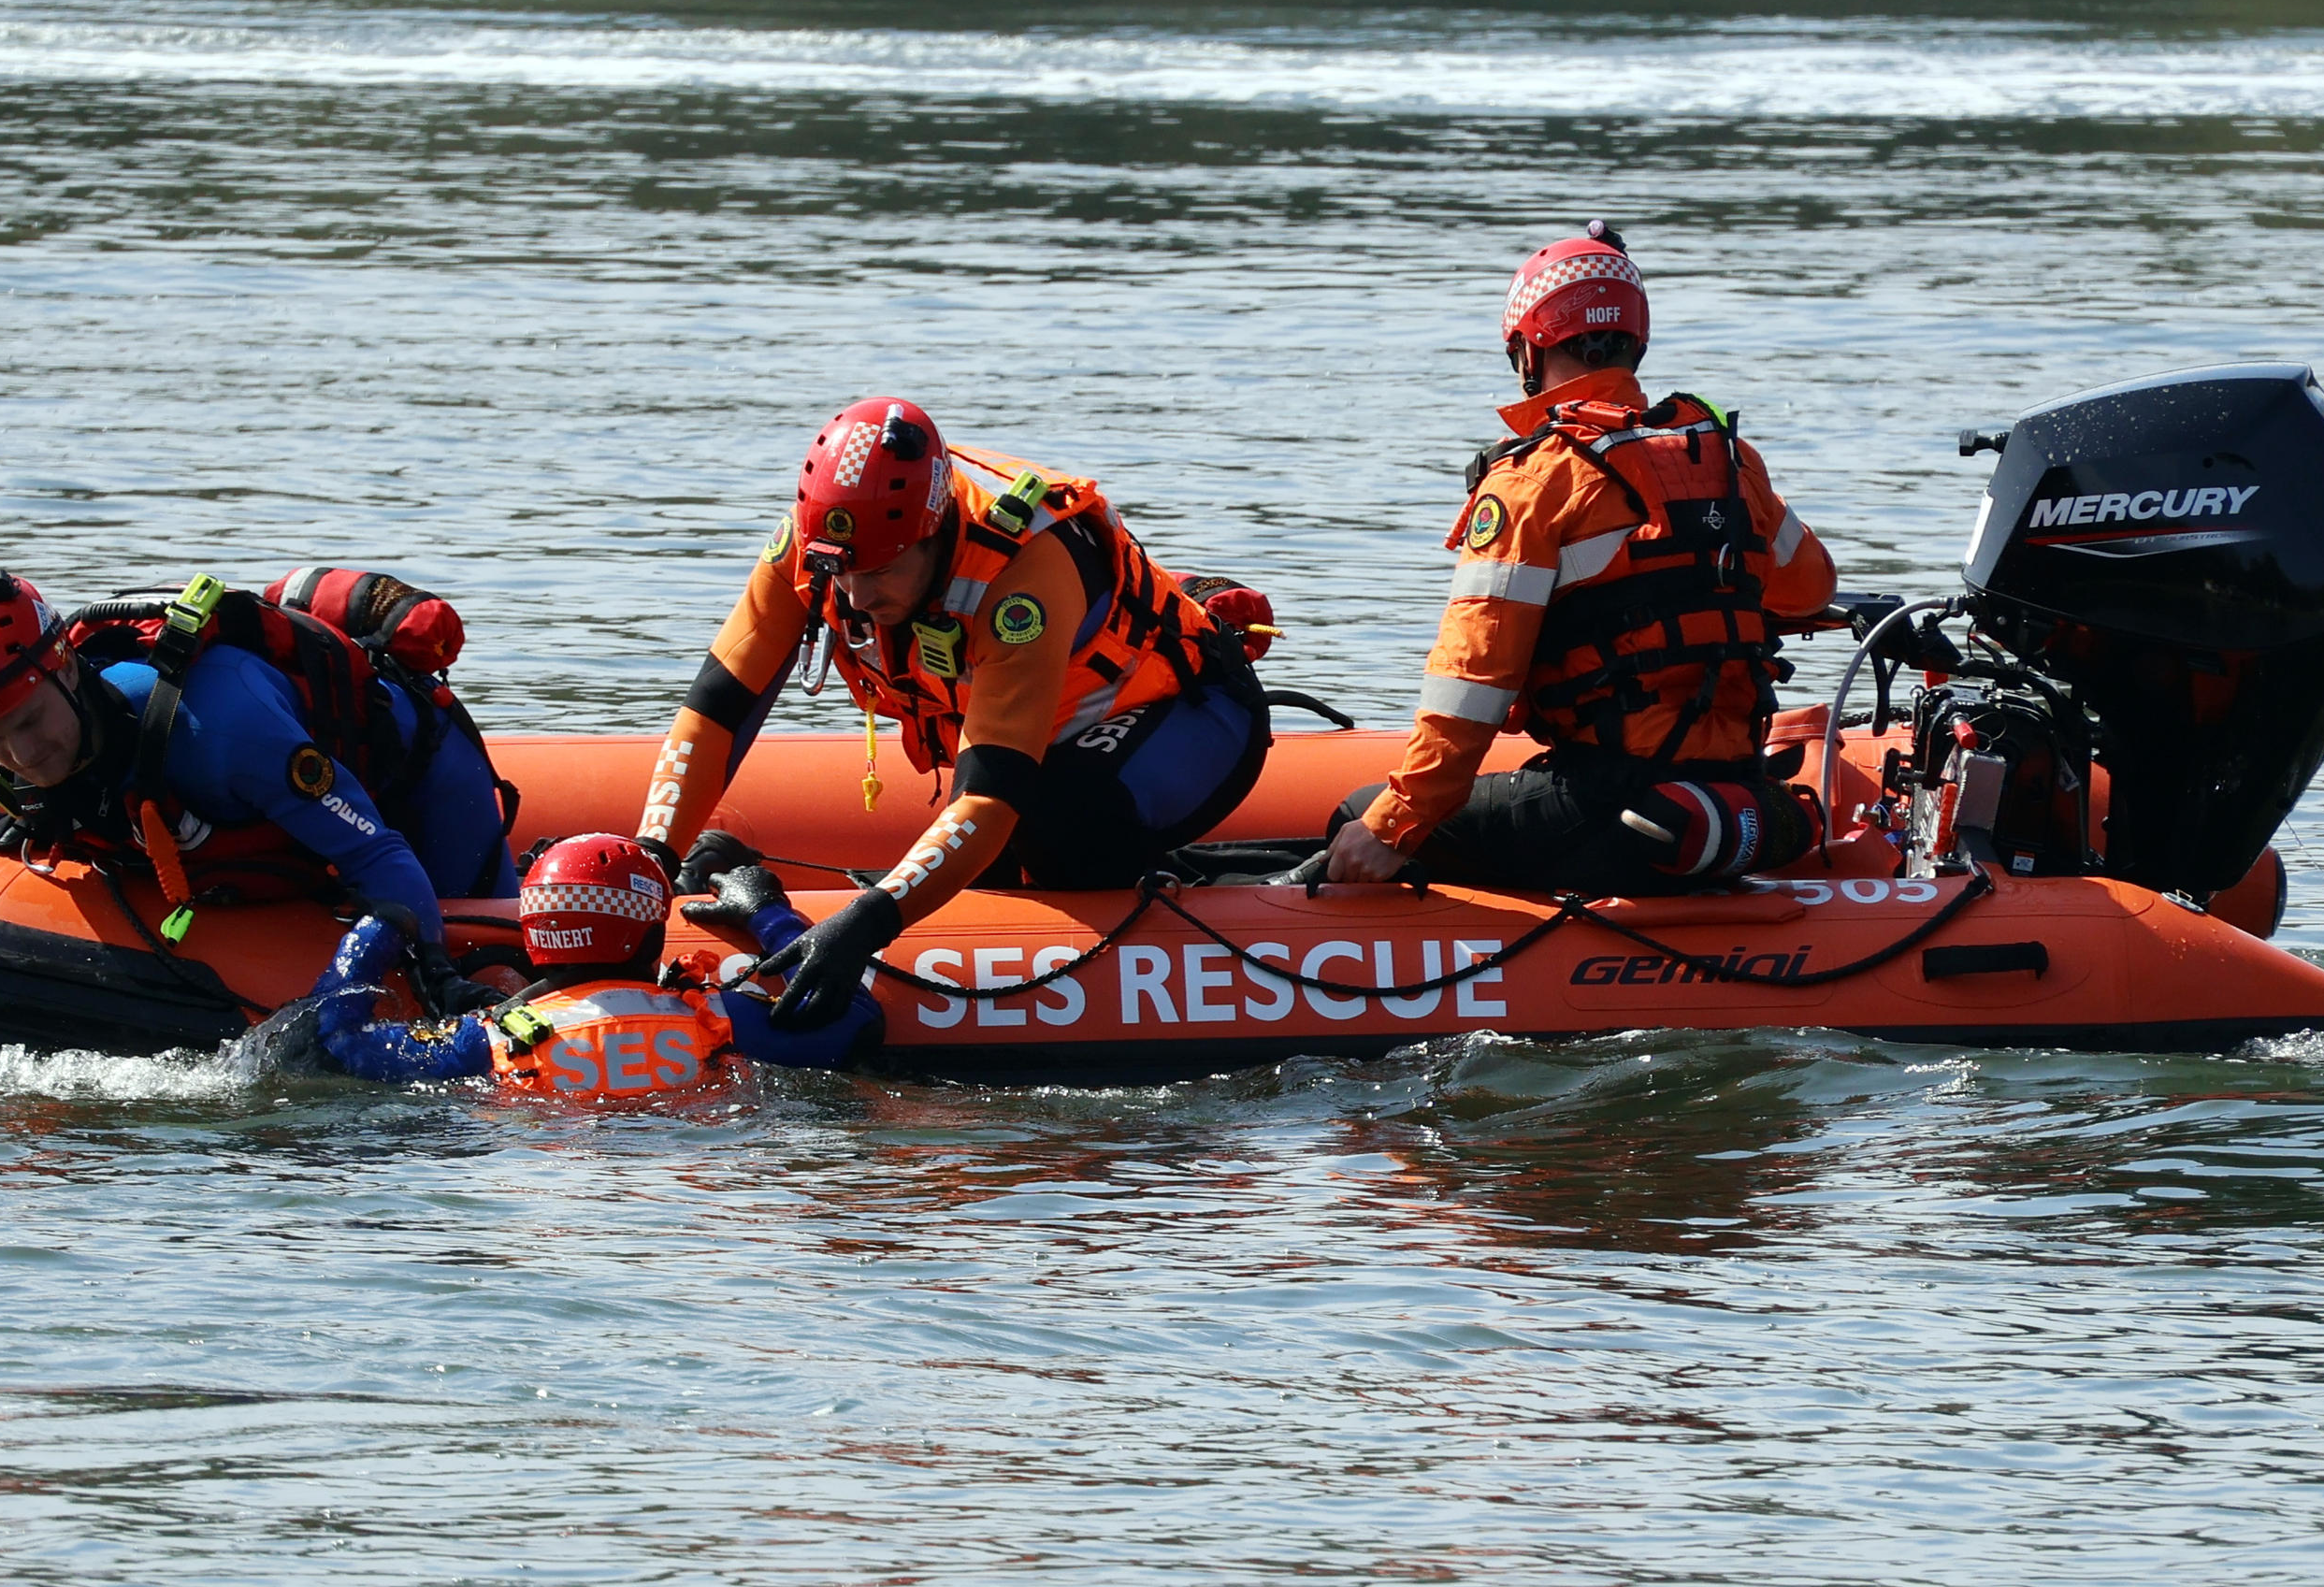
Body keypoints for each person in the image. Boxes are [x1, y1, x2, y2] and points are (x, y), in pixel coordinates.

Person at [637, 397, 1276, 1030]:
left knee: (1056, 820)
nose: (856, 595)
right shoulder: (822, 547)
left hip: (1189, 715)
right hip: (1041, 740)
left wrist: (868, 924)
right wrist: (651, 862)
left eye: (882, 571)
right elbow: (716, 709)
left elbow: (990, 801)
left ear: (933, 532)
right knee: (993, 856)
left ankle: (1252, 885)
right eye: (843, 572)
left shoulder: (1022, 571)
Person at [1322, 224, 1845, 895]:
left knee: (1351, 816)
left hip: (1607, 804)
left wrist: (1394, 824)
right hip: (1727, 785)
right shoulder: (1732, 462)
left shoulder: (1533, 482)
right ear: (1637, 341)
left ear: (1528, 351)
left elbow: (1472, 688)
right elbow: (1809, 588)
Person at [0, 567, 509, 980]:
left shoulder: (220, 729)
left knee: (494, 963)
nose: (22, 753)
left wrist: (431, 968)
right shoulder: (39, 754)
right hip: (272, 827)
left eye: (29, 722)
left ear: (67, 671)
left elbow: (379, 856)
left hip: (424, 786)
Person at [307, 833, 879, 1095]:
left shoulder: (489, 1042)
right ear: (653, 936)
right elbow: (856, 1020)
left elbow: (341, 1039)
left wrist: (379, 931)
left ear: (531, 936)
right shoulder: (720, 1021)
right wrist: (767, 914)